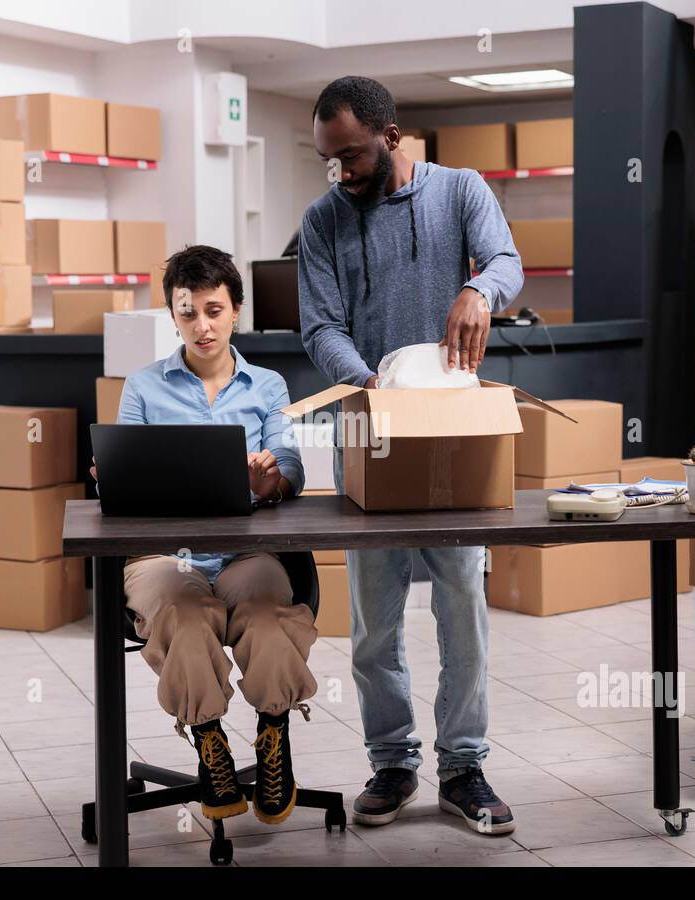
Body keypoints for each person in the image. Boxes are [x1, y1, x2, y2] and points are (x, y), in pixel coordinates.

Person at [298, 76, 523, 835]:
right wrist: (371, 385)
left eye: (353, 155)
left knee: (462, 606)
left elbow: (505, 260)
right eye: (329, 159)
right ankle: (392, 761)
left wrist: (478, 290)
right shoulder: (324, 220)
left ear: (393, 136)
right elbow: (320, 327)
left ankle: (464, 767)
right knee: (373, 620)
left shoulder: (459, 191)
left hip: (450, 435)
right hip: (368, 431)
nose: (341, 172)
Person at [111, 244, 318, 825]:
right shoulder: (144, 387)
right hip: (164, 557)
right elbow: (123, 484)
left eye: (213, 310)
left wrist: (272, 478)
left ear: (236, 310)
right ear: (172, 315)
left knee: (268, 615)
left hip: (244, 550)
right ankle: (210, 741)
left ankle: (273, 734)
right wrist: (117, 477)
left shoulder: (268, 386)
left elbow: (292, 470)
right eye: (187, 313)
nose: (202, 326)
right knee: (186, 615)